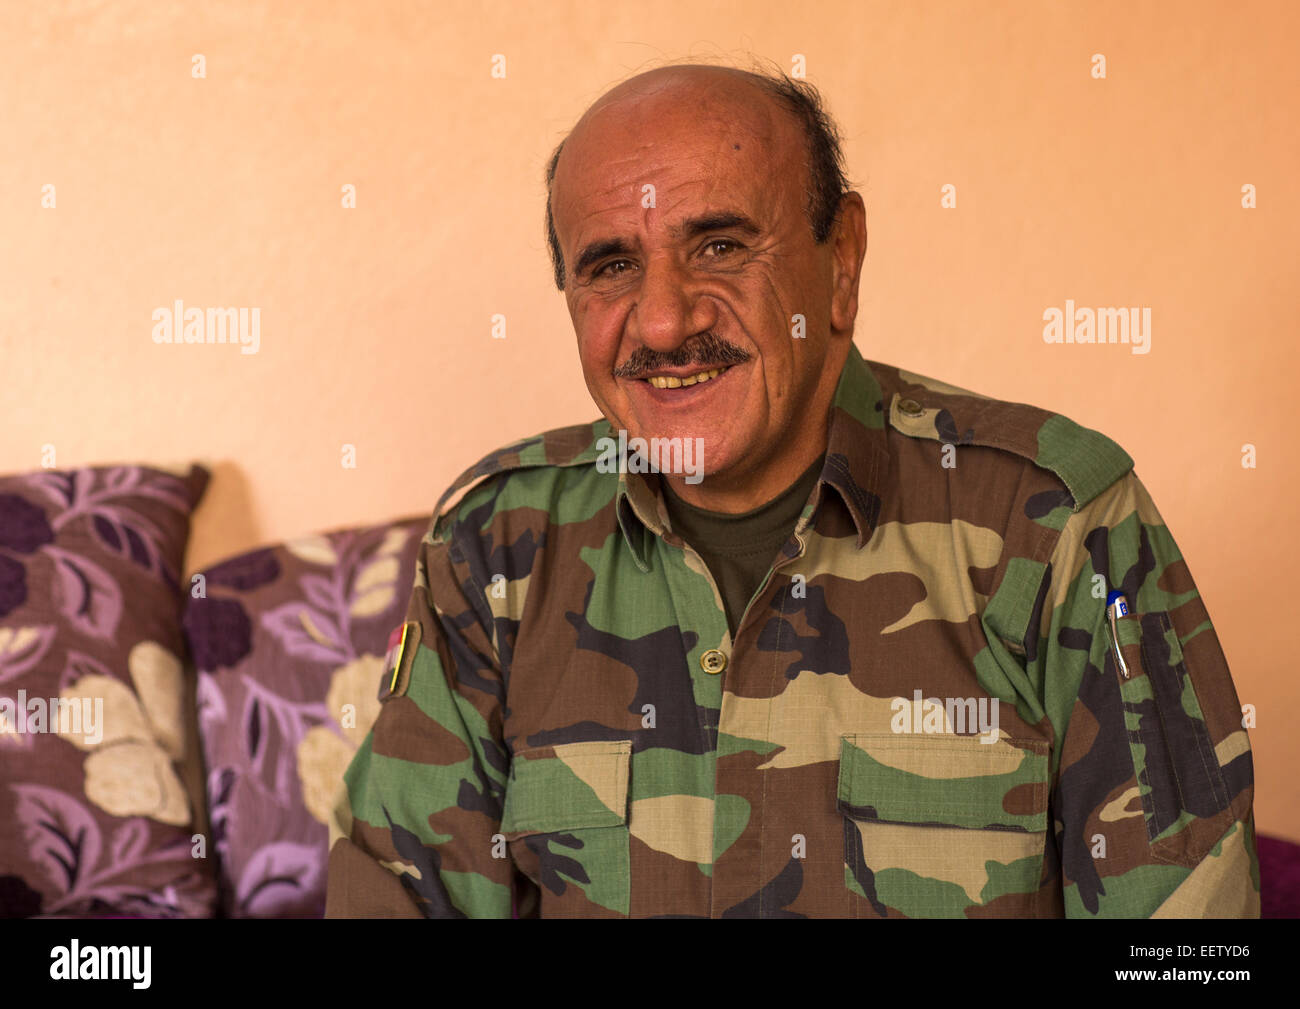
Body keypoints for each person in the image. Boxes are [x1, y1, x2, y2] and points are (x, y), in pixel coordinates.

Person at [324, 61, 1257, 918]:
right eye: (610, 266)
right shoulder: (496, 543)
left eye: (721, 246)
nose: (661, 321)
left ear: (841, 260)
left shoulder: (1057, 524)